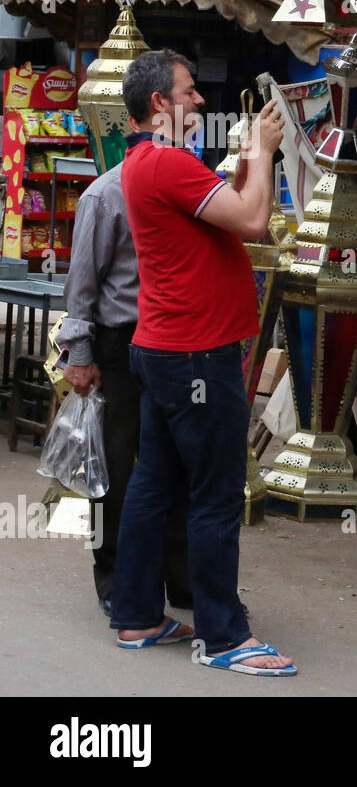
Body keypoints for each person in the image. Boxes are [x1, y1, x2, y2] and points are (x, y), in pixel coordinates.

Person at [110, 49, 295, 676]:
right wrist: (264, 150)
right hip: (194, 357)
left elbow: (235, 211)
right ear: (158, 104)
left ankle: (136, 614)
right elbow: (253, 219)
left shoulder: (151, 164)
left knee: (155, 485)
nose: (197, 102)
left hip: (166, 350)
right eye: (188, 93)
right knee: (216, 495)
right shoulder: (166, 164)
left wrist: (249, 155)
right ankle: (225, 636)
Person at [62, 159, 191, 618]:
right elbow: (83, 280)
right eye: (186, 93)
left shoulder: (189, 183)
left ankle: (184, 579)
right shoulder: (105, 194)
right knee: (112, 469)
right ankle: (115, 580)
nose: (198, 102)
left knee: (180, 462)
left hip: (176, 338)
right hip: (121, 343)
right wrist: (80, 354)